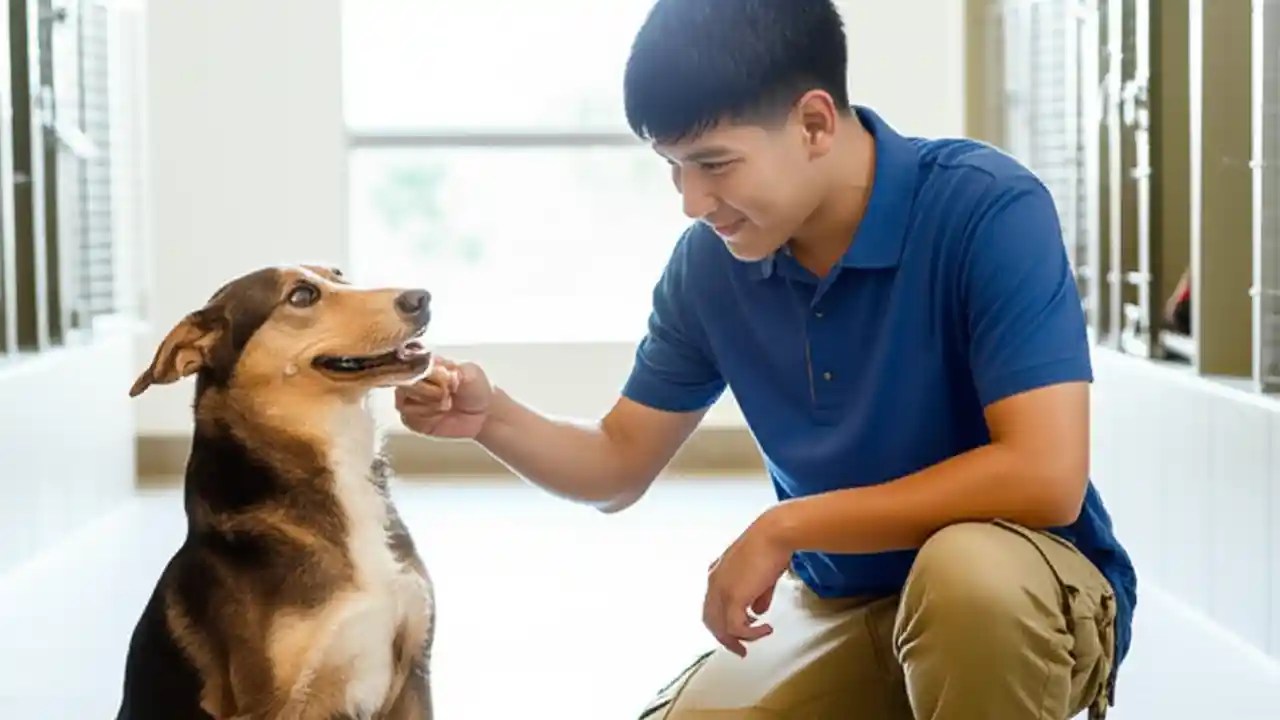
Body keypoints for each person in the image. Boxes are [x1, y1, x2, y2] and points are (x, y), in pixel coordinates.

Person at [395, 1, 1137, 717]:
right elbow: (616, 465)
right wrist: (492, 418)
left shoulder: (987, 208)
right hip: (843, 601)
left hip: (1019, 590)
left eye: (714, 164)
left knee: (967, 582)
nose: (691, 200)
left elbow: (1044, 476)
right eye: (673, 166)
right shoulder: (709, 266)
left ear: (814, 123)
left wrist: (788, 526)